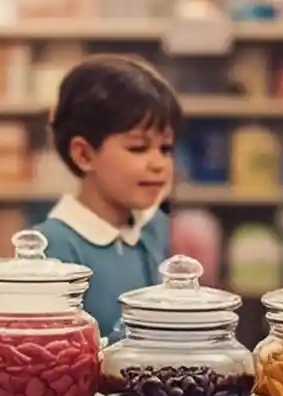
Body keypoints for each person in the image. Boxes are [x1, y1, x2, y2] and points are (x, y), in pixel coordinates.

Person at [35, 54, 182, 338]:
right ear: (84, 154)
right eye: (138, 148)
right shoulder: (53, 248)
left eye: (165, 149)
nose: (158, 163)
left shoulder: (154, 230)